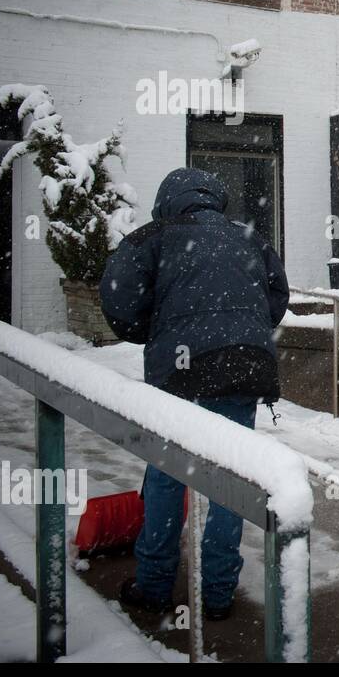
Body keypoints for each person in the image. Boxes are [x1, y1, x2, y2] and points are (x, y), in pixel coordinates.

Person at [100, 167, 288, 620]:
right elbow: (276, 299)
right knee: (227, 480)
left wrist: (160, 331)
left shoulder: (154, 235)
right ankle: (217, 594)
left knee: (167, 476)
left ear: (168, 200)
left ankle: (154, 585)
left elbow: (119, 301)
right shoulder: (250, 238)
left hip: (180, 373)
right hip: (245, 366)